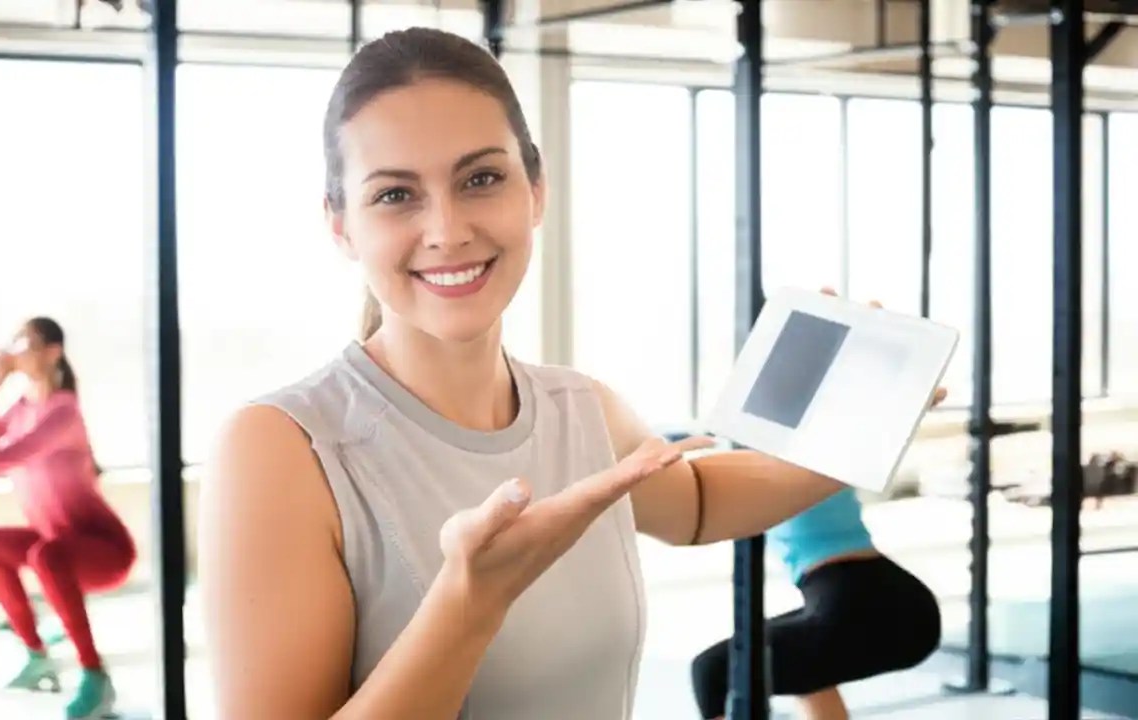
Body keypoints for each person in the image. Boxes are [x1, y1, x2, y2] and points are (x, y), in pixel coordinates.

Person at [197, 27, 917, 719]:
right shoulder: (281, 448)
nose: (447, 229)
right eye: (395, 194)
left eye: (481, 178)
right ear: (340, 224)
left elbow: (695, 502)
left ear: (535, 191)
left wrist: (869, 423)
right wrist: (468, 604)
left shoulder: (581, 406)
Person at [0, 317, 135, 720]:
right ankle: (35, 656)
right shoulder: (24, 408)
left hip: (104, 550)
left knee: (47, 555)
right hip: (56, 541)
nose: (15, 351)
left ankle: (97, 679)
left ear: (52, 353)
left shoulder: (62, 411)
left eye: (25, 343)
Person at [689, 479, 945, 720]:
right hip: (886, 597)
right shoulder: (801, 451)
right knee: (801, 670)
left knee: (713, 671)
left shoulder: (774, 457)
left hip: (864, 604)